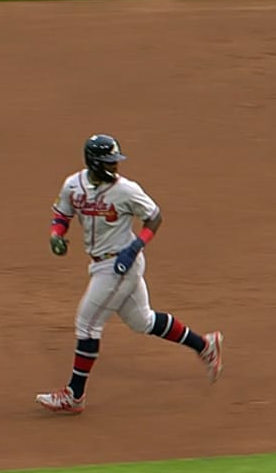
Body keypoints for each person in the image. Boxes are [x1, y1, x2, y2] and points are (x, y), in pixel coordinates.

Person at [35, 134, 223, 414]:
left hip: (119, 266)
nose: (116, 167)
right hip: (101, 263)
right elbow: (62, 214)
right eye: (110, 162)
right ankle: (205, 345)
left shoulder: (127, 190)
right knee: (142, 321)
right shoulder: (73, 185)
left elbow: (154, 216)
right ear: (95, 164)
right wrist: (56, 235)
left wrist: (136, 245)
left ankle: (74, 395)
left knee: (87, 324)